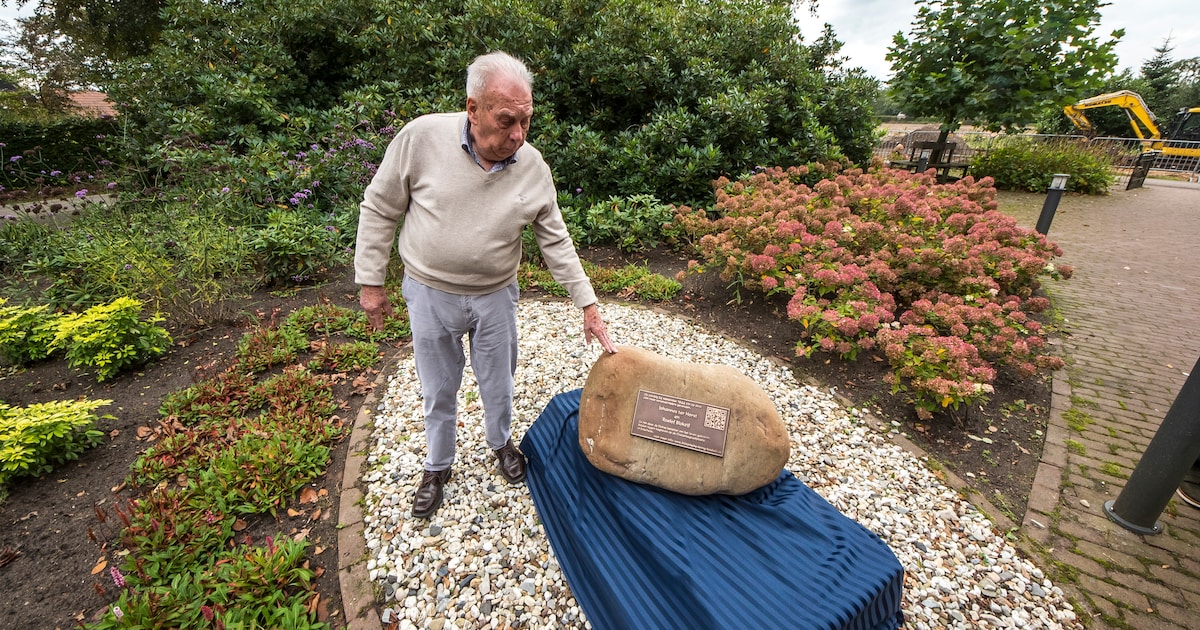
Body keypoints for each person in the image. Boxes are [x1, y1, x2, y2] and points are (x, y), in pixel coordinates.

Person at [354, 51, 618, 519]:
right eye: (506, 121)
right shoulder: (421, 137)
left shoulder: (532, 166)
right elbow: (380, 208)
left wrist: (588, 304)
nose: (517, 134)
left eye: (526, 121)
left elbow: (555, 241)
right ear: (472, 109)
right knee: (438, 387)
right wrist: (371, 282)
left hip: (496, 295)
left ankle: (500, 443)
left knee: (498, 380)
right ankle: (438, 465)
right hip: (430, 292)